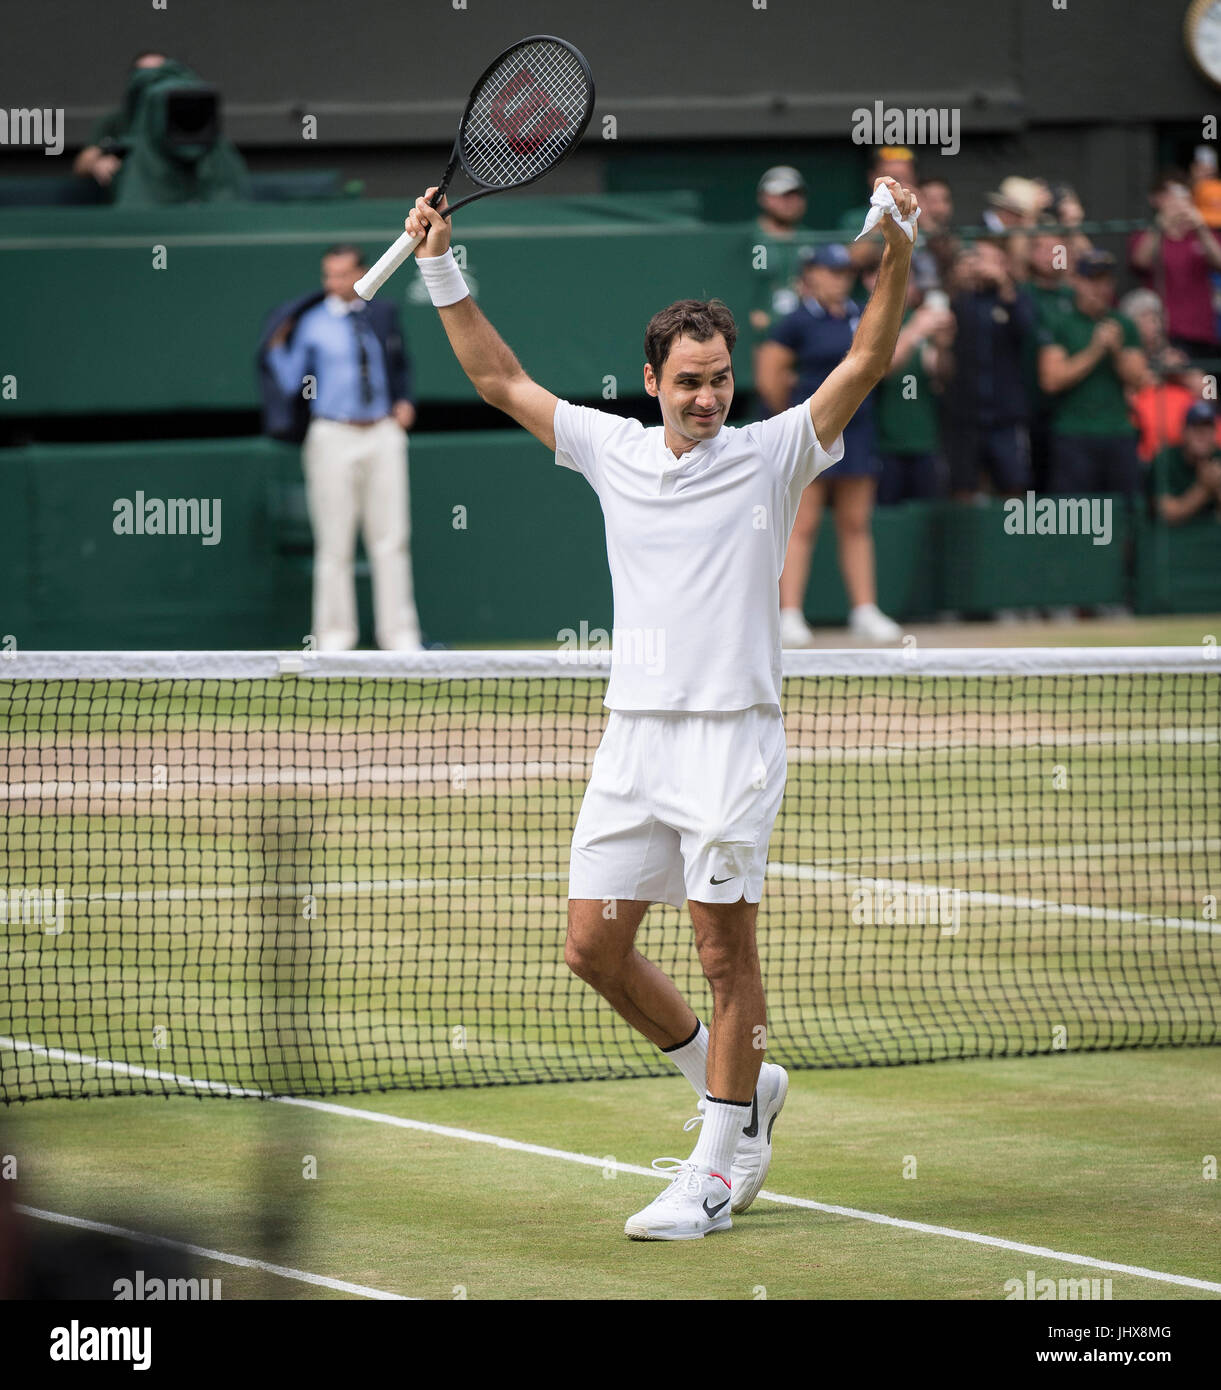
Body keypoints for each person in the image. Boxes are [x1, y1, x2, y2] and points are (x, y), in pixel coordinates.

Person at [402, 175, 921, 1240]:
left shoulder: (773, 453)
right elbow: (497, 377)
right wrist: (438, 261)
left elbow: (867, 360)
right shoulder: (612, 448)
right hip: (633, 737)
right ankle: (740, 1089)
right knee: (591, 948)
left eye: (720, 379)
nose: (707, 397)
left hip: (732, 741)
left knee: (726, 959)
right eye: (688, 381)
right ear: (651, 381)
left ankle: (716, 1171)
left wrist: (900, 249)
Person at [264, 244, 422, 652]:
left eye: (341, 274)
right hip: (332, 434)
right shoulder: (311, 322)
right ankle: (334, 639)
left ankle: (400, 637)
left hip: (383, 433)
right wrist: (277, 347)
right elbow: (290, 382)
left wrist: (404, 401)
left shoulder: (382, 314)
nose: (333, 283)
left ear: (362, 273)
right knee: (334, 543)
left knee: (392, 538)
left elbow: (400, 364)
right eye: (328, 275)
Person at [757, 245, 903, 645]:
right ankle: (789, 615)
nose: (839, 279)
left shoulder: (861, 314)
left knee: (856, 524)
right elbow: (770, 374)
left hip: (859, 431)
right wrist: (793, 427)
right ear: (811, 275)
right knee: (801, 524)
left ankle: (864, 611)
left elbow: (880, 362)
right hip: (810, 434)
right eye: (831, 271)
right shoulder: (795, 322)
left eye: (844, 272)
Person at [1038, 250, 1147, 495]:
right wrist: (1095, 350)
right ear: (1076, 281)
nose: (1100, 288)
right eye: (1093, 280)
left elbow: (1139, 380)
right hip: (1073, 433)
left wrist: (1116, 352)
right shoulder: (1059, 322)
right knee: (1076, 512)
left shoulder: (1124, 324)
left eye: (1106, 281)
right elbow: (1051, 380)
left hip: (1118, 431)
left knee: (1123, 511)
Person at [944, 240, 1036, 498]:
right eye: (976, 259)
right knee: (962, 488)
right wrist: (961, 280)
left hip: (1006, 415)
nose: (981, 266)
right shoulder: (961, 299)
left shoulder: (1016, 298)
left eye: (988, 260)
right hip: (965, 415)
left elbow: (1027, 330)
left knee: (1014, 485)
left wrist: (1004, 284)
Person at [861, 267, 954, 504]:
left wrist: (944, 344)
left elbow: (941, 374)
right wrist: (915, 331)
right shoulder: (869, 322)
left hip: (924, 440)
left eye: (907, 282)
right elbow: (881, 370)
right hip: (883, 443)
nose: (902, 288)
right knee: (885, 515)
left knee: (926, 512)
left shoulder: (922, 319)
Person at [1129, 172, 1221, 360]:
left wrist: (1201, 227)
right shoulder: (1145, 234)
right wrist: (1159, 226)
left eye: (1182, 195)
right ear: (1155, 199)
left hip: (1203, 331)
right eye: (1170, 195)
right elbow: (1140, 261)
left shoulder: (1203, 235)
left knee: (1206, 378)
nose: (1177, 202)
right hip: (1164, 332)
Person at [73, 51, 167, 188]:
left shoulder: (183, 118)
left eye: (160, 75)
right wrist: (97, 163)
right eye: (143, 75)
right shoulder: (114, 121)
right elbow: (82, 164)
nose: (150, 81)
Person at [1155, 402, 1221, 524]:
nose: (1202, 433)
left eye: (1208, 427)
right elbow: (1167, 513)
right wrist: (1204, 488)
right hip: (1177, 535)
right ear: (1184, 431)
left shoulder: (1218, 457)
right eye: (1195, 427)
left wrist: (1218, 487)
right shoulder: (1167, 459)